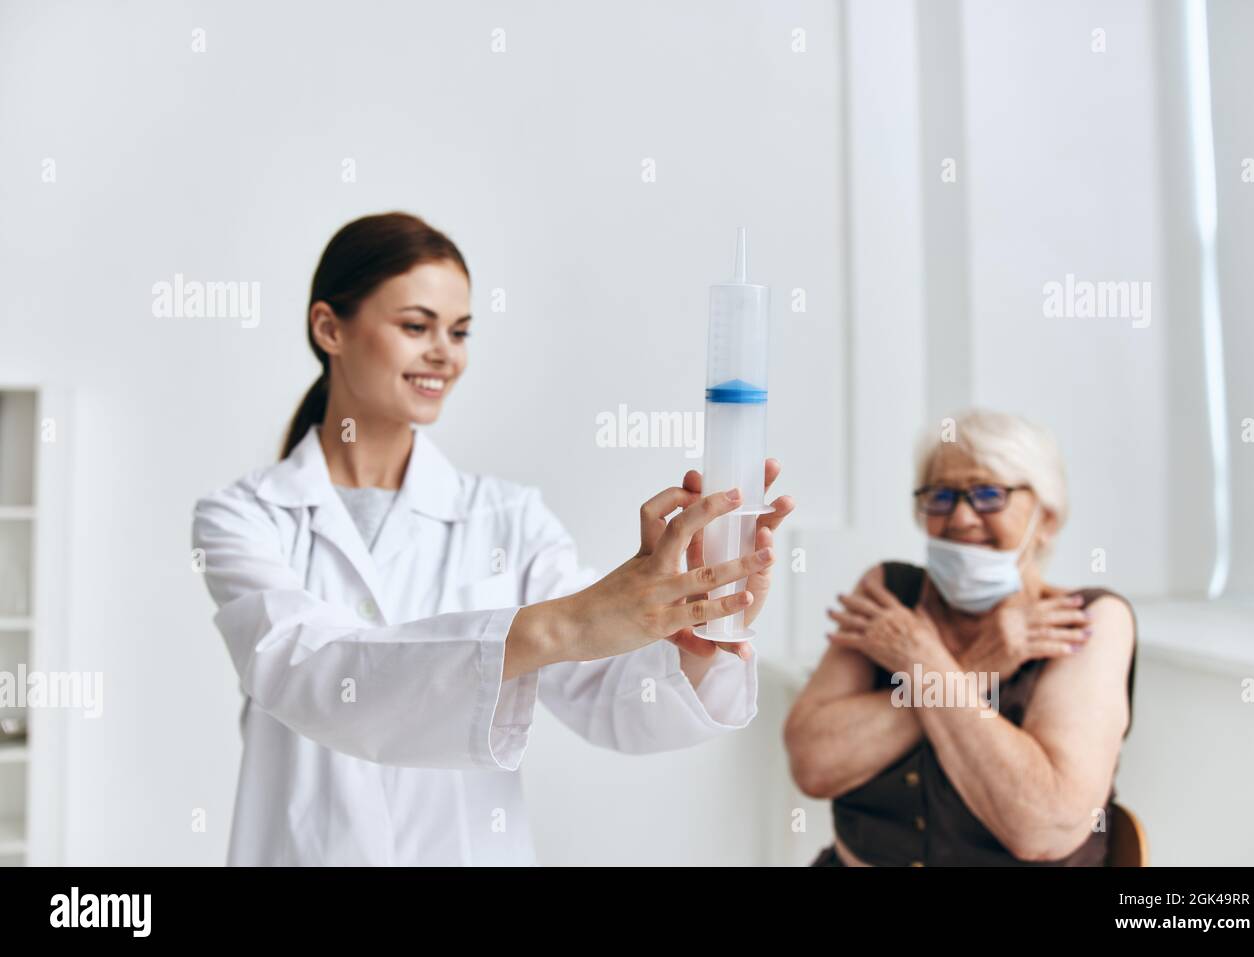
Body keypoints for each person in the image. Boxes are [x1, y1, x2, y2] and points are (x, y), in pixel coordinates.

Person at [191, 211, 795, 865]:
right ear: (329, 327)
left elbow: (614, 702)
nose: (444, 353)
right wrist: (563, 624)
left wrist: (695, 623)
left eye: (459, 331)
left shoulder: (509, 519)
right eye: (415, 326)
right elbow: (307, 669)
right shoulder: (245, 517)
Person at [784, 409, 1134, 866]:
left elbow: (1044, 826)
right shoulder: (891, 595)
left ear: (1046, 518)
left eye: (989, 494)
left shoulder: (1088, 619)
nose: (962, 516)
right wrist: (975, 667)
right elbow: (812, 763)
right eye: (941, 495)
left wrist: (923, 662)